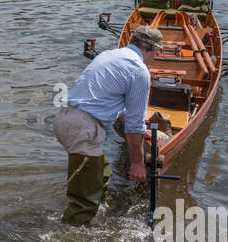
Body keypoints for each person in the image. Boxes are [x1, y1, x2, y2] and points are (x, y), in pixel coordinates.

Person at [53, 25, 164, 226]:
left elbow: (120, 109)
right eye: (158, 52)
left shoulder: (110, 55)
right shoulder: (139, 71)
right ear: (152, 49)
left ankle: (97, 217)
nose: (156, 57)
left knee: (103, 172)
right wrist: (137, 163)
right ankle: (69, 239)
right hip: (83, 128)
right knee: (84, 200)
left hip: (65, 118)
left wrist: (140, 131)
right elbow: (134, 124)